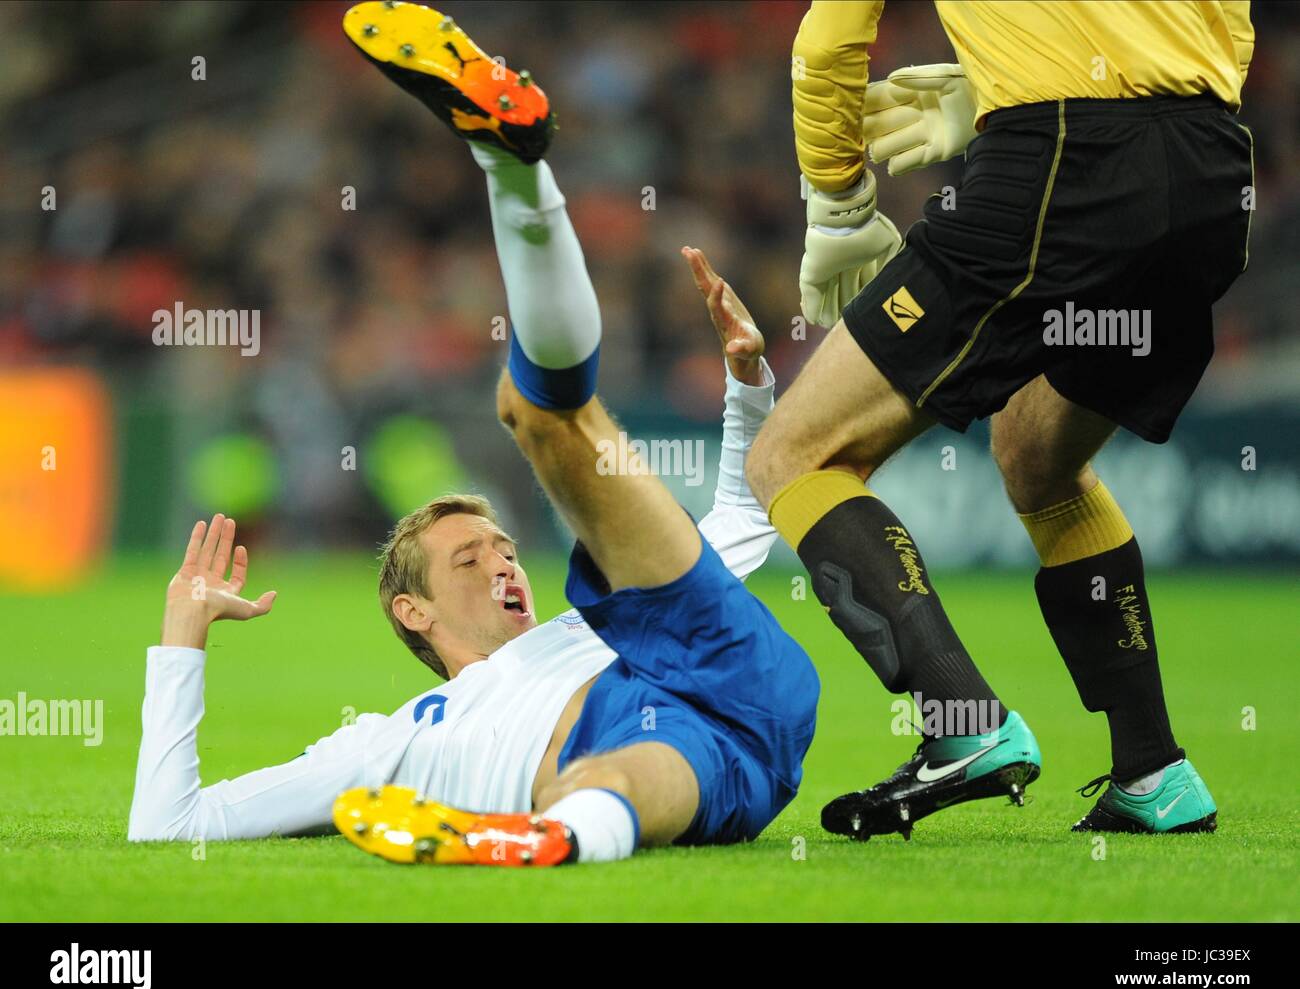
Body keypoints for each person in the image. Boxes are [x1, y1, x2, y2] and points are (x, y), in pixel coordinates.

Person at [128, 1, 819, 867]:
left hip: (697, 650)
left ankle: (512, 162)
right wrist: (181, 637)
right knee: (618, 775)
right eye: (468, 559)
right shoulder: (385, 746)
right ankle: (557, 835)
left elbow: (741, 527)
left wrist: (747, 386)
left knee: (535, 415)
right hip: (688, 761)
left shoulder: (589, 627)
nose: (502, 562)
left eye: (499, 549)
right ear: (409, 610)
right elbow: (169, 824)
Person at [746, 0, 1253, 840]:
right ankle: (1153, 769)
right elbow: (1213, 37)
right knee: (1037, 455)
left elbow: (828, 37)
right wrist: (1000, 85)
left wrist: (837, 200)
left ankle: (962, 717)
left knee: (794, 455)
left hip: (1062, 162)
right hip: (1212, 180)